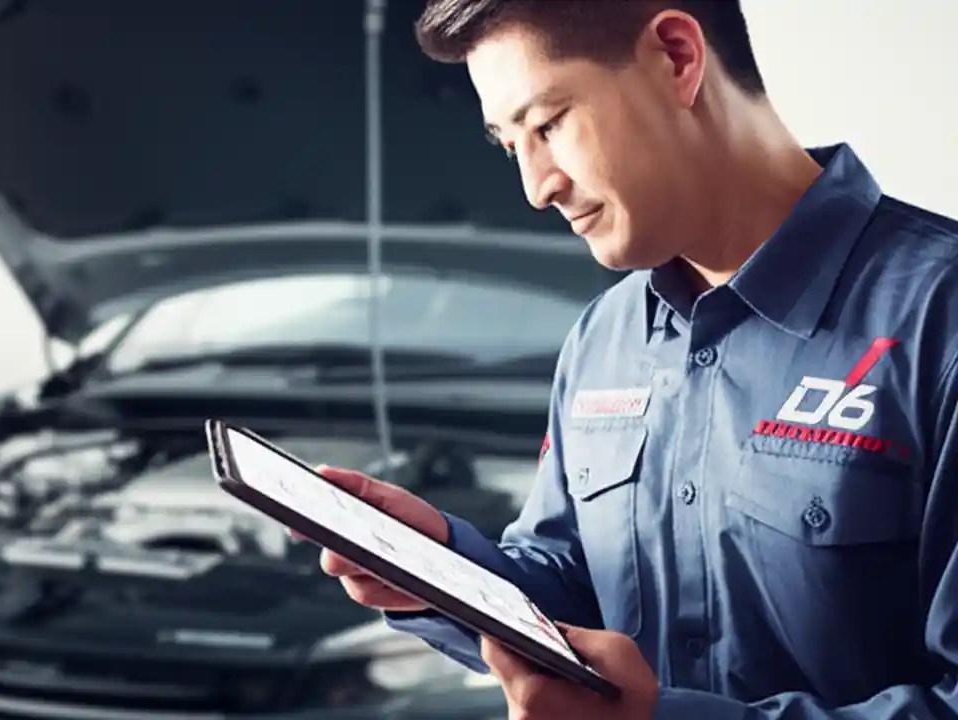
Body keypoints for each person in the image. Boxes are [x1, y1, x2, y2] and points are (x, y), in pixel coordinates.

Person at [304, 1, 958, 718]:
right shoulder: (604, 339)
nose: (537, 187)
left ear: (677, 57)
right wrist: (439, 570)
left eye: (549, 125)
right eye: (511, 146)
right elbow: (573, 591)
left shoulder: (940, 322)